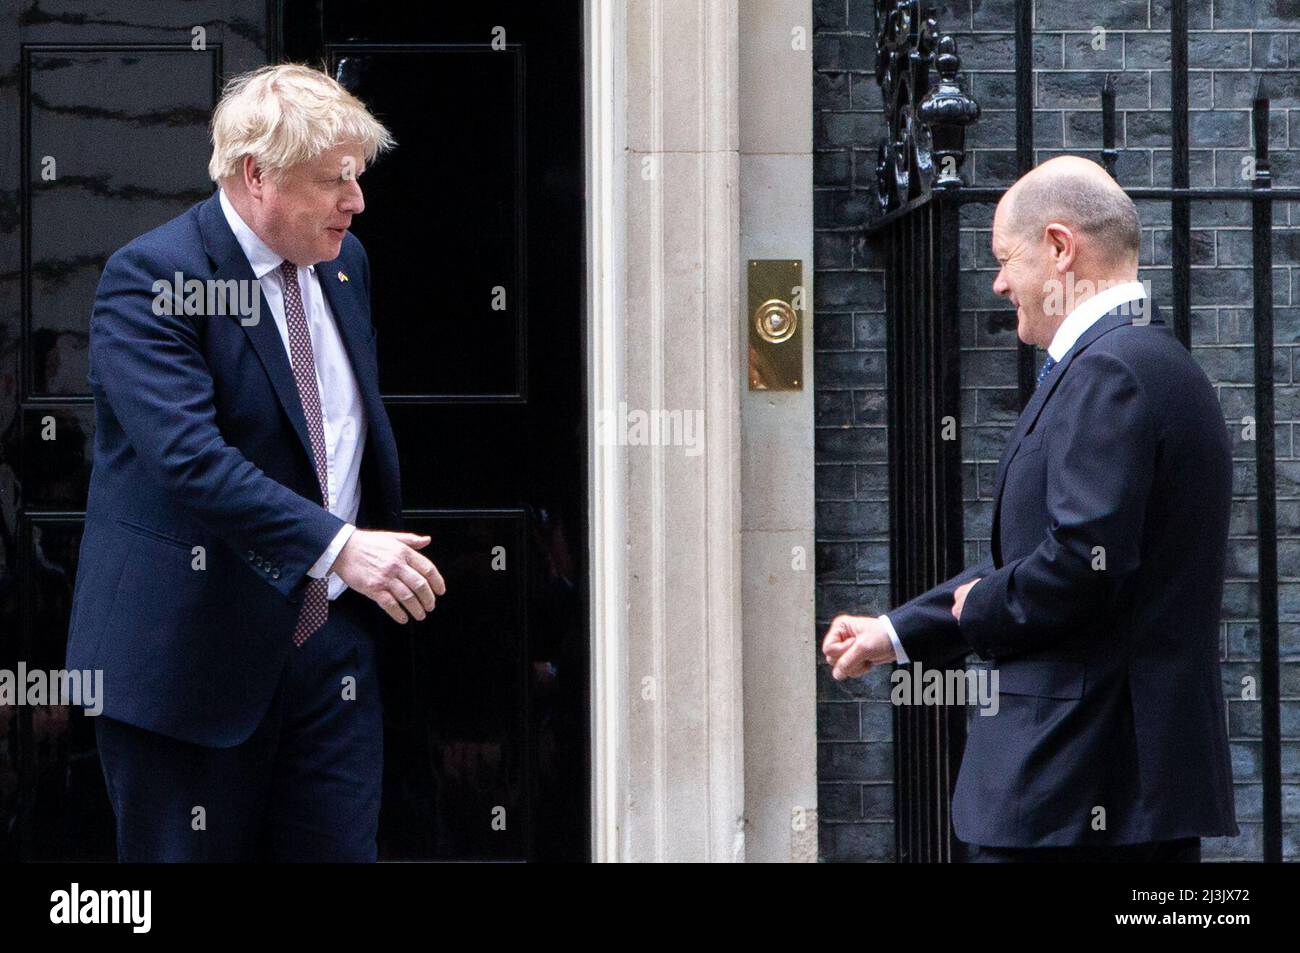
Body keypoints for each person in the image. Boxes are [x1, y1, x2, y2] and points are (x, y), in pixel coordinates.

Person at [64, 63, 446, 862]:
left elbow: (339, 436)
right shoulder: (157, 278)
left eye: (357, 176)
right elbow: (189, 459)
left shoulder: (347, 266)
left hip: (330, 652)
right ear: (255, 175)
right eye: (334, 179)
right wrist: (342, 544)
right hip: (190, 663)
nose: (357, 200)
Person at [822, 155, 1238, 862]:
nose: (1000, 282)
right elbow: (1047, 557)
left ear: (1058, 246)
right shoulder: (1151, 363)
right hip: (1115, 794)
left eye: (1005, 257)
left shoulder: (1110, 371)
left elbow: (1079, 564)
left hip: (1072, 790)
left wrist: (974, 611)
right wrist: (895, 632)